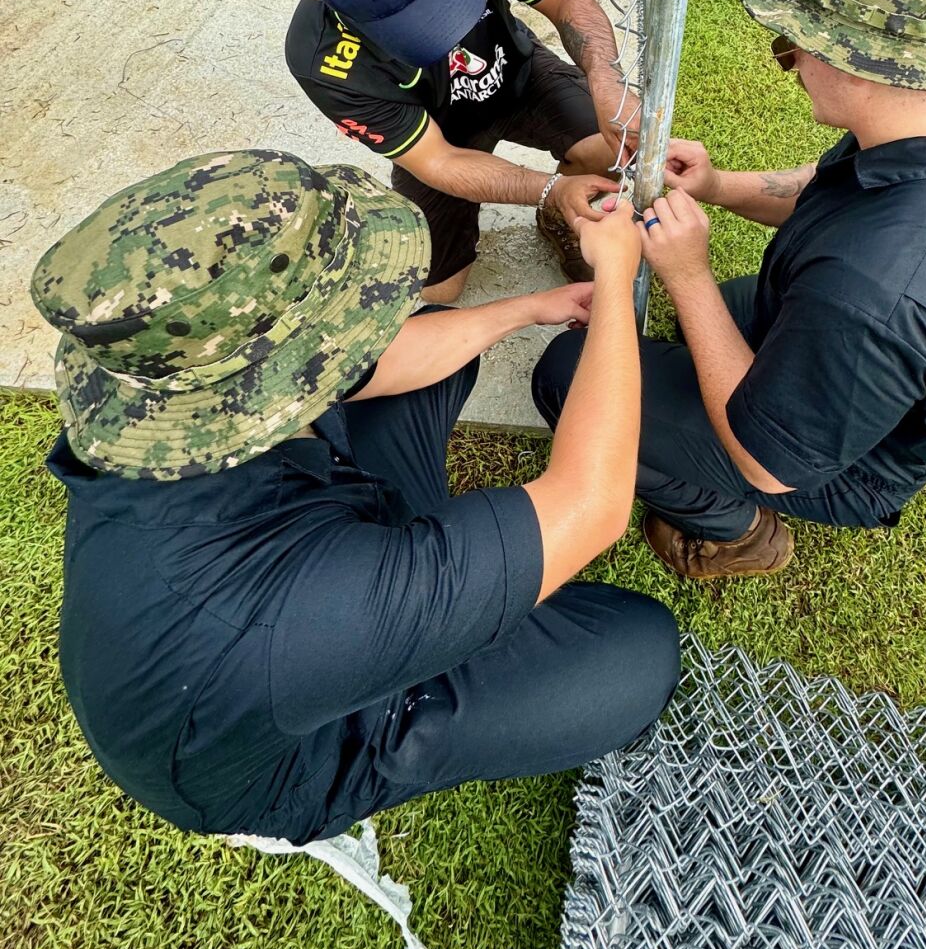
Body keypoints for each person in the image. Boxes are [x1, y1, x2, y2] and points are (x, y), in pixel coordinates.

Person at [32, 148, 676, 843]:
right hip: (311, 739)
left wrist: (528, 308)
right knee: (636, 654)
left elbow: (376, 360)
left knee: (432, 349)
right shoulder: (289, 613)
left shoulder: (167, 401)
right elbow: (592, 503)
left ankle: (437, 576)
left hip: (292, 588)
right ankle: (416, 684)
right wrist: (615, 284)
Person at [534, 0, 926, 580]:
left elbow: (765, 462)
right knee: (699, 325)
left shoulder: (871, 295)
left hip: (837, 461)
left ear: (858, 61)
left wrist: (688, 276)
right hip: (834, 333)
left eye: (791, 43)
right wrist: (717, 185)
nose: (789, 62)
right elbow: (829, 183)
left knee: (567, 375)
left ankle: (737, 534)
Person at [280, 0, 638, 301]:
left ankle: (558, 220)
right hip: (440, 131)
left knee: (614, 147)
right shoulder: (321, 58)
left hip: (518, 72)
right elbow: (439, 160)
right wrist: (551, 189)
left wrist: (607, 80)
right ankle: (554, 202)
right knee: (441, 291)